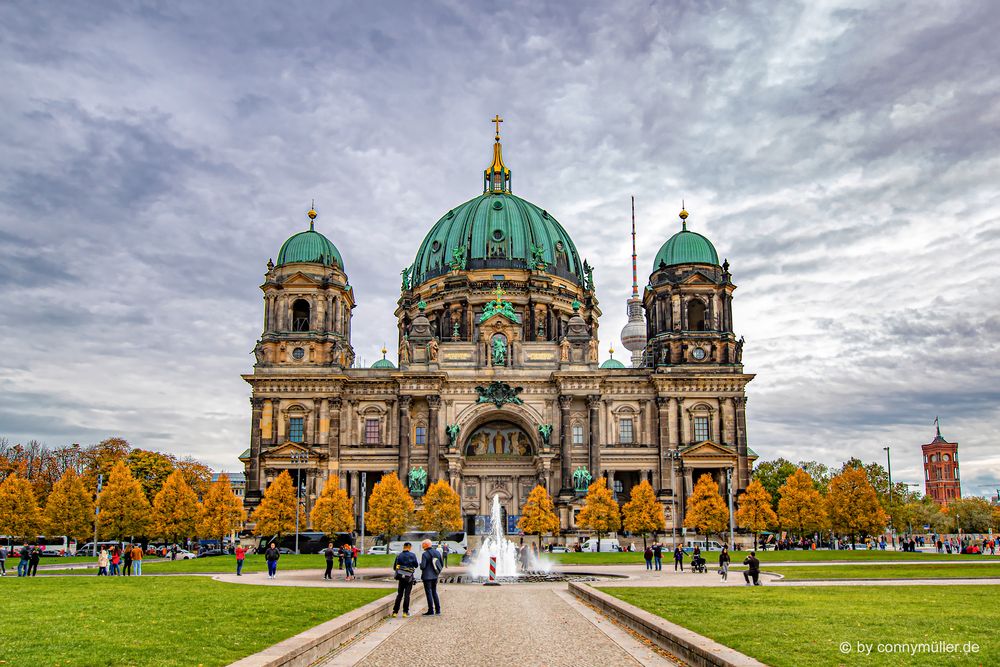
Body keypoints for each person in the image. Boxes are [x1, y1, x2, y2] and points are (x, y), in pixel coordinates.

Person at [391, 542, 418, 618]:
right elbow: (416, 565)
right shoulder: (412, 555)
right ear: (410, 547)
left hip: (401, 577)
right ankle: (405, 612)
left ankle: (395, 612)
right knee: (407, 595)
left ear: (404, 547)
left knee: (399, 594)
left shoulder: (399, 555)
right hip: (409, 578)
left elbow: (395, 567)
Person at [419, 539, 443, 615]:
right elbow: (441, 564)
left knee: (429, 593)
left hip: (427, 577)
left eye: (423, 545)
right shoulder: (437, 552)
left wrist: (420, 565)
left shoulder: (425, 554)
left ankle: (431, 610)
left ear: (425, 545)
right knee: (434, 592)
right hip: (435, 576)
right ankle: (438, 610)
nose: (422, 546)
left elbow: (423, 566)